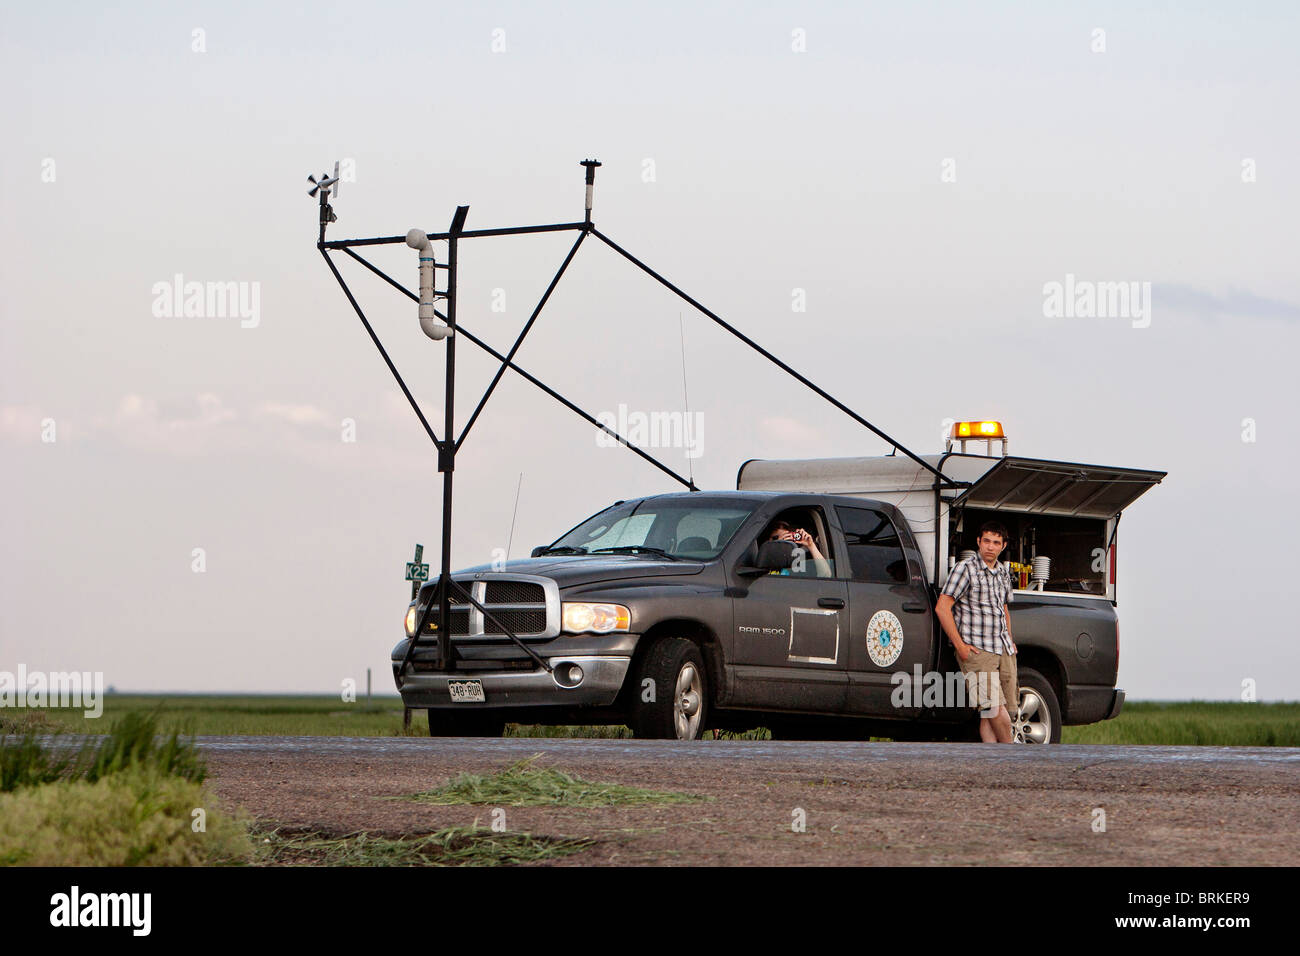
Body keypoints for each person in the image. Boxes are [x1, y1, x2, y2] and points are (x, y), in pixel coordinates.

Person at [935, 521, 1018, 743]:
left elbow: (1004, 608)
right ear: (979, 542)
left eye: (996, 542)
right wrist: (961, 647)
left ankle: (991, 767)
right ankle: (1014, 760)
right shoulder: (965, 569)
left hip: (1003, 649)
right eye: (987, 541)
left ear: (1003, 545)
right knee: (996, 710)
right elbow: (942, 608)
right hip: (978, 650)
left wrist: (1010, 639)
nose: (991, 547)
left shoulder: (1002, 572)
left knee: (994, 713)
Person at [762, 517, 831, 577]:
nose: (783, 542)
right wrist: (777, 547)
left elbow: (825, 575)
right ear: (767, 541)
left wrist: (811, 545)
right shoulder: (761, 562)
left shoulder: (801, 563)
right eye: (775, 538)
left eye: (787, 537)